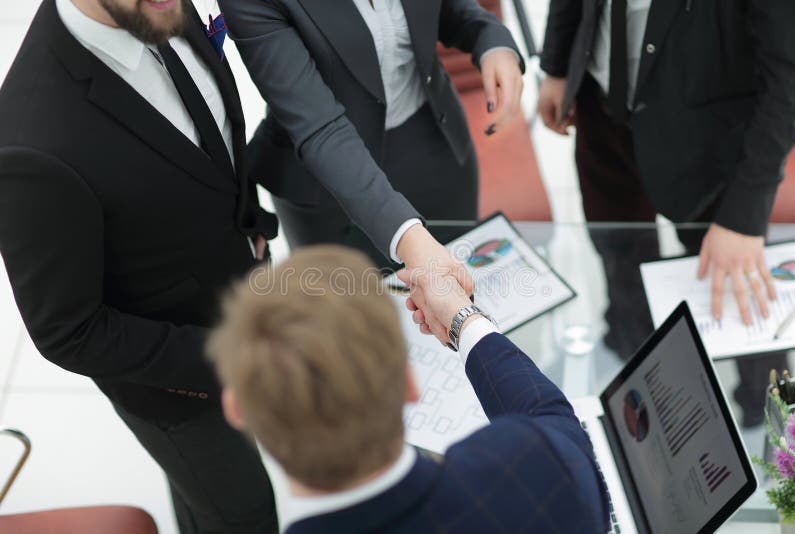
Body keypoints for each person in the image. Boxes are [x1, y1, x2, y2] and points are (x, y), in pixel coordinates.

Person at [0, 0, 277, 531]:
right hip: (181, 387)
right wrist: (228, 363)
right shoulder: (32, 144)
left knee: (203, 500)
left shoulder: (160, 7)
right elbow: (67, 330)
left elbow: (209, 146)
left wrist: (253, 224)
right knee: (243, 513)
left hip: (243, 295)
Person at [208, 246, 609, 534]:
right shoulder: (532, 467)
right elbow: (555, 421)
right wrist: (461, 319)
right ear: (410, 383)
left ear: (237, 409)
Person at [536, 0, 795, 424]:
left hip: (709, 134)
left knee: (738, 294)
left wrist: (743, 214)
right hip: (601, 109)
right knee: (620, 260)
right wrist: (557, 66)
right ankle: (643, 400)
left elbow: (790, 77)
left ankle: (772, 421)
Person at [220, 0, 525, 266]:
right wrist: (407, 237)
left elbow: (448, 8)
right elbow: (319, 127)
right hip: (326, 186)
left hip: (435, 148)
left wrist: (491, 40)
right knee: (352, 321)